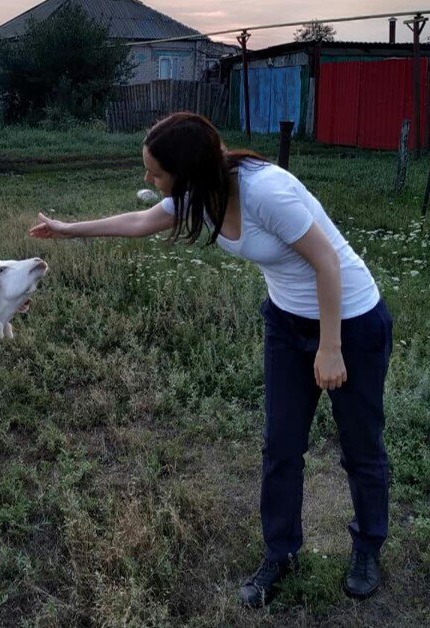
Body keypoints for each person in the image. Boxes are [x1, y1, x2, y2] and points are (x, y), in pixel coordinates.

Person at [29, 112, 393, 607]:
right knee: (281, 446)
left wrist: (331, 348)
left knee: (360, 446)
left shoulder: (267, 191)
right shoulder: (199, 194)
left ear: (188, 169)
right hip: (285, 323)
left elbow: (326, 261)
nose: (149, 181)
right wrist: (69, 230)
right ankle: (279, 554)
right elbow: (140, 221)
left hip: (350, 319)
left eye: (156, 173)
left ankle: (368, 547)